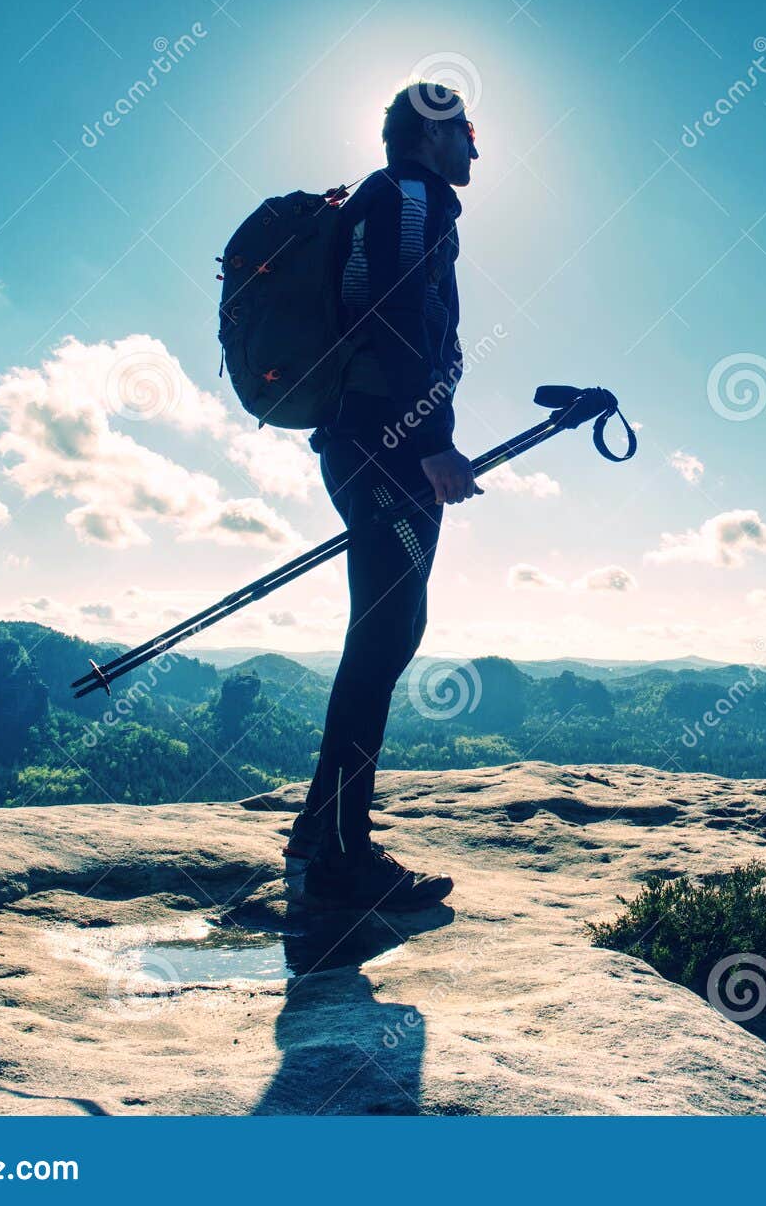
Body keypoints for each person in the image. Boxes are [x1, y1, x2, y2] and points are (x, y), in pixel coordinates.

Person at [283, 80, 482, 912]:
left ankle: (321, 830)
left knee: (389, 629)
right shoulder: (409, 196)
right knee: (384, 633)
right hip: (386, 447)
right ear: (432, 136)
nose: (476, 145)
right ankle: (339, 857)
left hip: (369, 440)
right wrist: (430, 444)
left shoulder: (403, 198)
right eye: (467, 129)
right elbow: (394, 313)